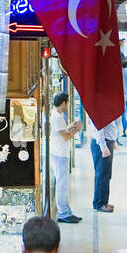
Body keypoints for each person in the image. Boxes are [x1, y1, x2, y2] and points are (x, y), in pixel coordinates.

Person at [49, 91, 81, 224]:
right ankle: (63, 213)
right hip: (59, 154)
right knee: (62, 184)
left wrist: (70, 127)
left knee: (63, 184)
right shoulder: (57, 117)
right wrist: (76, 129)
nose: (67, 106)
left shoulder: (55, 115)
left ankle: (66, 210)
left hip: (58, 153)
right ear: (63, 103)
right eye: (67, 103)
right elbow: (65, 136)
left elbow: (61, 132)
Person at [89, 117, 119, 212]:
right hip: (103, 143)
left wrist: (113, 141)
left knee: (106, 175)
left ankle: (103, 202)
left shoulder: (105, 110)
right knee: (102, 174)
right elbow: (99, 128)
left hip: (107, 142)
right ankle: (100, 204)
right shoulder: (99, 110)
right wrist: (103, 146)